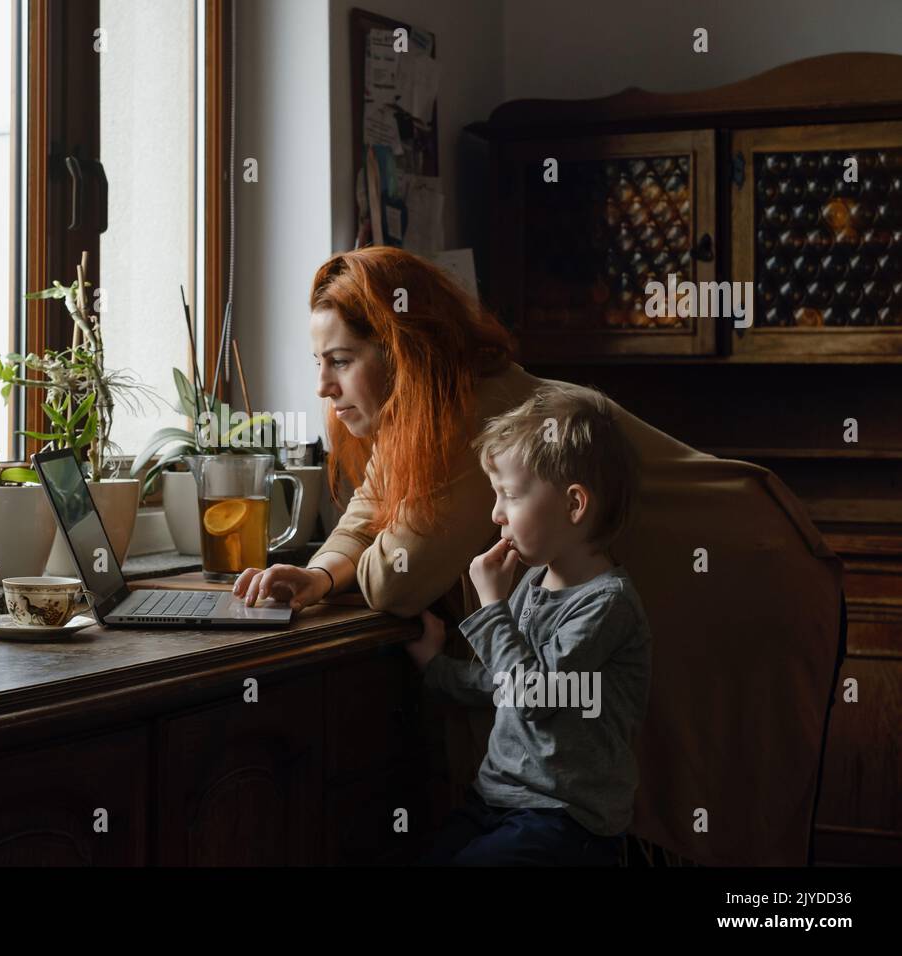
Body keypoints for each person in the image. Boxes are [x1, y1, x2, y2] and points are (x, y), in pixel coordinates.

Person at [231, 246, 843, 866]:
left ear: (402, 349)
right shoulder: (428, 405)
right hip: (707, 567)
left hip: (742, 569)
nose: (321, 385)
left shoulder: (469, 413)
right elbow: (374, 505)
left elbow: (395, 582)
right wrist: (318, 574)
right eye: (317, 362)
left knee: (713, 808)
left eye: (340, 361)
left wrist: (358, 564)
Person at [405, 383, 652, 865]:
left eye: (510, 496)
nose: (495, 513)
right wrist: (436, 667)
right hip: (496, 800)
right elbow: (503, 680)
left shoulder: (607, 605)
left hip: (566, 818)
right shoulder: (534, 583)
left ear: (574, 505)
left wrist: (493, 605)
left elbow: (535, 698)